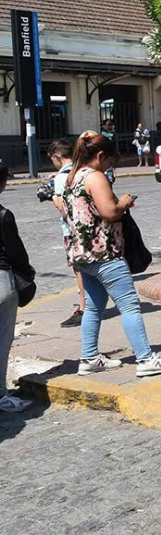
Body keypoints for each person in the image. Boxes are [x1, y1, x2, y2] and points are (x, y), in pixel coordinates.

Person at [63, 133, 161, 377]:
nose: (108, 167)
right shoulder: (94, 177)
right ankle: (145, 358)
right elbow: (109, 211)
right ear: (100, 156)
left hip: (82, 254)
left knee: (94, 307)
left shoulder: (72, 177)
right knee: (129, 305)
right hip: (104, 253)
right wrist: (124, 202)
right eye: (108, 162)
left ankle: (89, 356)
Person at [0, 160, 36, 412]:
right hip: (1, 281)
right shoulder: (3, 215)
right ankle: (1, 396)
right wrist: (27, 272)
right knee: (2, 341)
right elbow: (16, 254)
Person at [46, 139, 87, 328]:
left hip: (71, 230)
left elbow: (64, 209)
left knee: (79, 268)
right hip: (88, 227)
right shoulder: (82, 170)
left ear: (57, 157)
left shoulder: (61, 178)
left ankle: (84, 307)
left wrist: (53, 196)